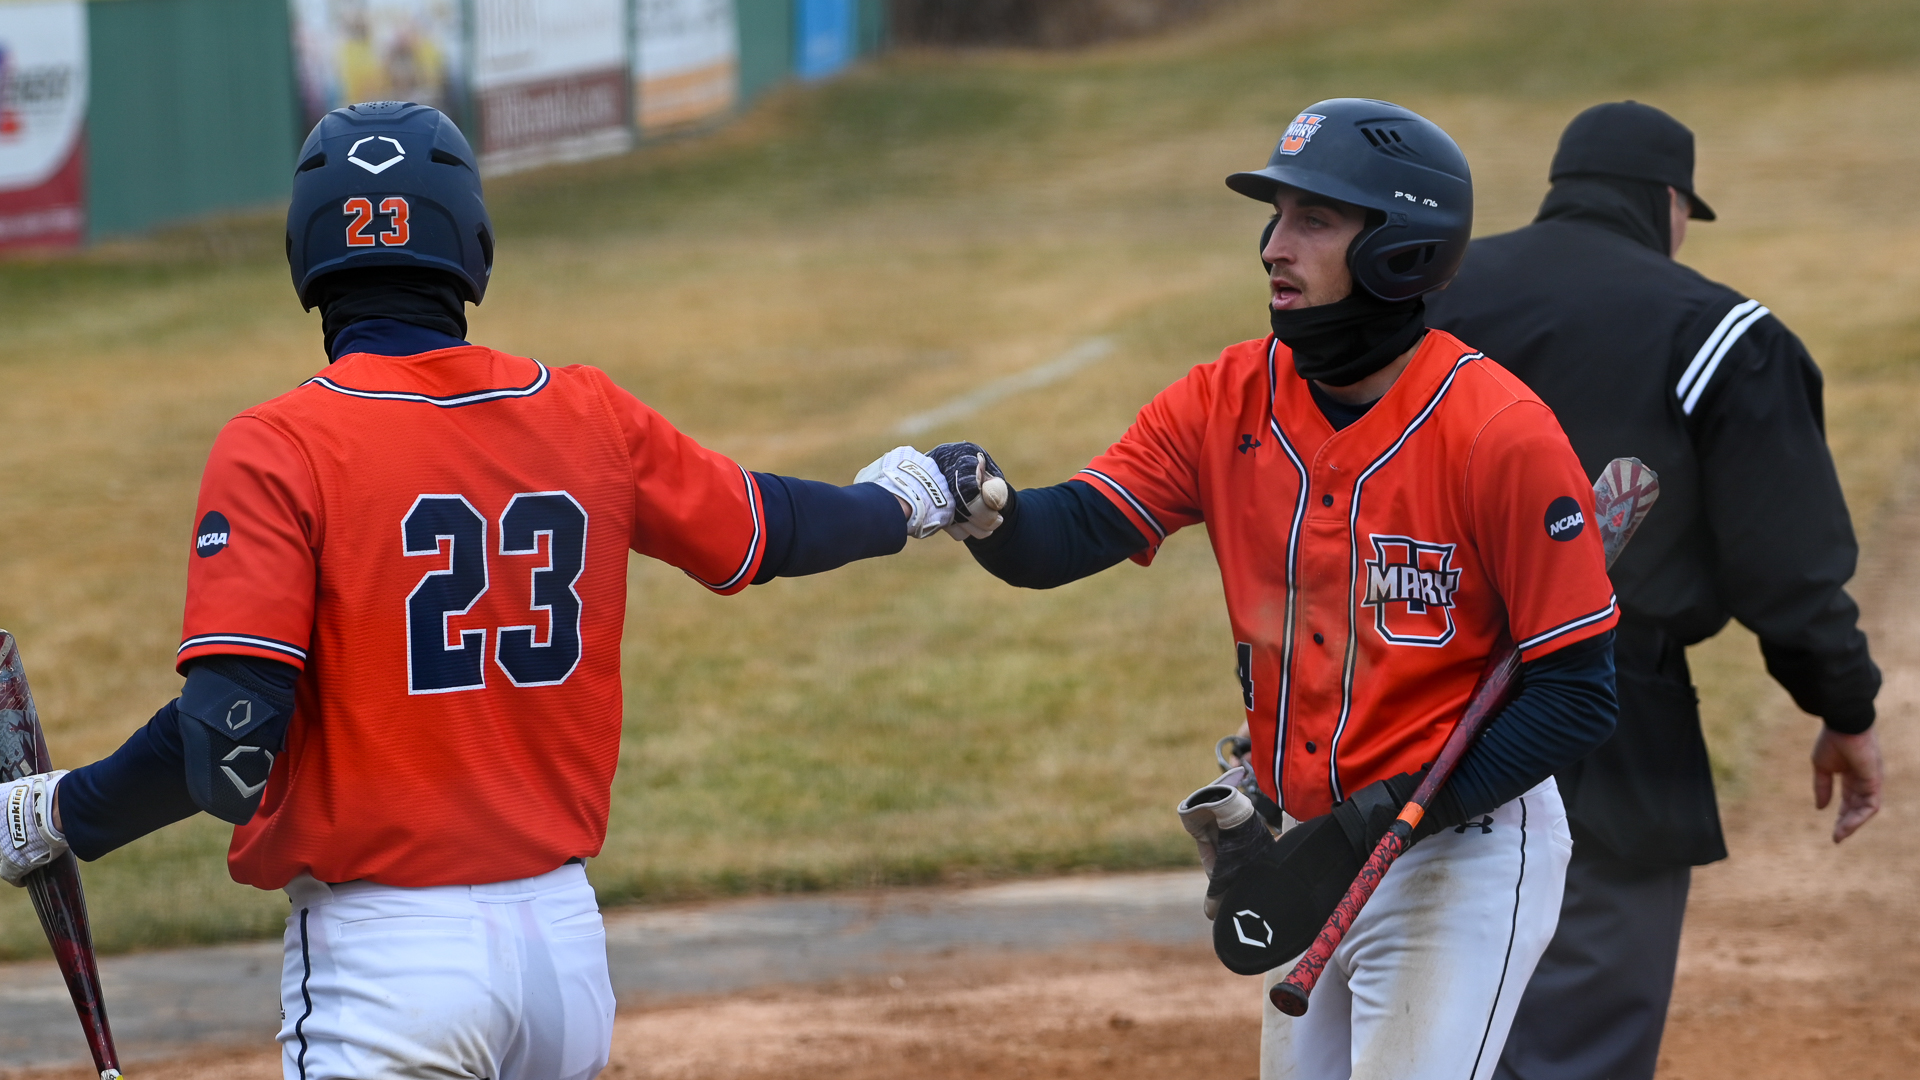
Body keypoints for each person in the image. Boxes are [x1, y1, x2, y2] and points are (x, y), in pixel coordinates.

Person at [0, 101, 974, 1080]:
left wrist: (57, 813)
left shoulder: (281, 445)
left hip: (386, 971)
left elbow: (229, 743)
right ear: (472, 241)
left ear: (305, 250)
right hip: (563, 958)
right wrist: (903, 500)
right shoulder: (589, 413)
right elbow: (767, 530)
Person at [936, 98, 1620, 1080]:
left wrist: (1377, 821)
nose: (1273, 245)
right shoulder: (1226, 400)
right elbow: (1070, 532)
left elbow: (1575, 694)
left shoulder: (1498, 435)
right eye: (1276, 215)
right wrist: (989, 509)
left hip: (1459, 853)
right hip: (1310, 852)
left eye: (1314, 219)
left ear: (1401, 247)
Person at [1423, 100, 1884, 1080]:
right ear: (1668, 205)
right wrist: (1842, 707)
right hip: (1608, 720)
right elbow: (1790, 572)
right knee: (1575, 1031)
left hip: (1399, 687)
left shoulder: (1429, 294)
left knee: (1408, 1006)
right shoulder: (1720, 333)